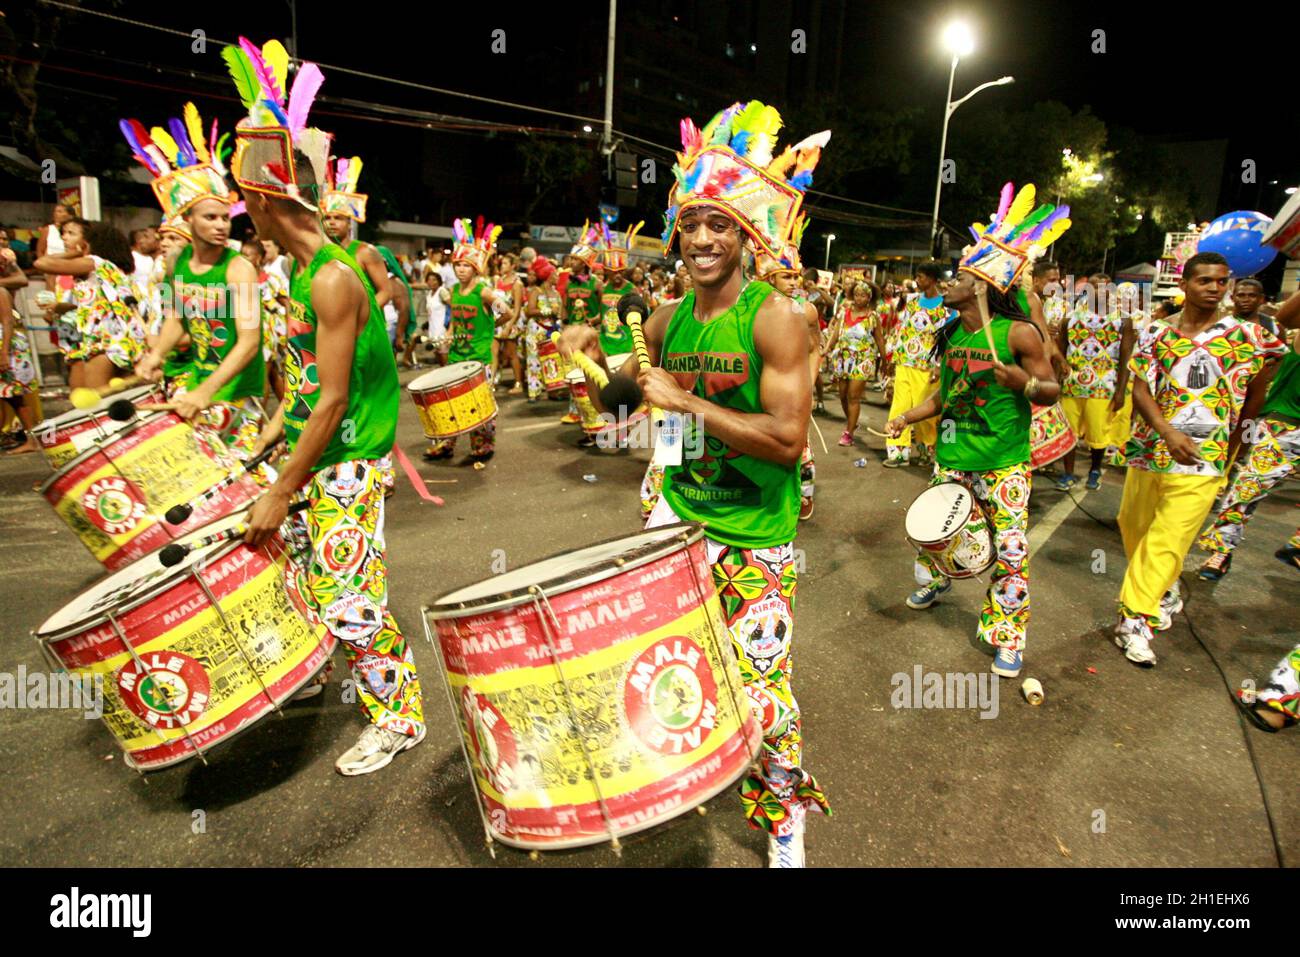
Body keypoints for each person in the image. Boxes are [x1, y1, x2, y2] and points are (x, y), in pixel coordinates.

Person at [561, 100, 832, 867]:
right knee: (662, 666)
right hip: (679, 520)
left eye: (720, 224)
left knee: (765, 696)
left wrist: (685, 404)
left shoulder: (778, 318)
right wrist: (587, 360)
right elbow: (626, 397)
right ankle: (680, 774)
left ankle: (784, 814)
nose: (703, 238)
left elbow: (785, 443)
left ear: (746, 232)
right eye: (691, 224)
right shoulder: (664, 318)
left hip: (753, 535)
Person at [228, 38, 423, 774]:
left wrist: (281, 486)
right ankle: (354, 683)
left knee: (349, 598)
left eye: (244, 195)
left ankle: (399, 716)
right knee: (317, 585)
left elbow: (337, 398)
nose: (241, 207)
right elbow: (305, 382)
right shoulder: (302, 271)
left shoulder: (333, 279)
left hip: (349, 462)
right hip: (318, 457)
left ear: (264, 197)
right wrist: (266, 447)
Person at [890, 182, 1068, 679]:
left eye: (959, 277)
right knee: (929, 535)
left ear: (983, 286)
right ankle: (937, 581)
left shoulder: (1019, 333)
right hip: (953, 455)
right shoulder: (950, 334)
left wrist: (1025, 382)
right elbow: (948, 395)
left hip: (1003, 460)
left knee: (1010, 550)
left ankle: (1007, 634)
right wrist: (910, 416)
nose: (948, 283)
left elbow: (1052, 390)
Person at [1112, 252, 1286, 666]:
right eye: (1205, 280)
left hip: (1205, 455)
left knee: (1168, 538)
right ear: (1185, 285)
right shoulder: (1157, 333)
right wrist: (1167, 431)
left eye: (1222, 281)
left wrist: (1238, 445)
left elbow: (1257, 392)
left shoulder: (1250, 337)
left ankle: (1135, 619)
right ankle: (1164, 588)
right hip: (1150, 447)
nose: (1215, 288)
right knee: (1133, 524)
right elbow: (1140, 388)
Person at [125, 106, 264, 456]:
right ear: (186, 219)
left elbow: (249, 342)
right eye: (210, 217)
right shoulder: (177, 263)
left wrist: (207, 391)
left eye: (224, 218)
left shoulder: (238, 269)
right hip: (199, 382)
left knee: (240, 482)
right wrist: (156, 354)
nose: (221, 225)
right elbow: (177, 318)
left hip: (235, 391)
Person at [1197, 284, 1300, 580]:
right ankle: (1221, 550)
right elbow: (1289, 317)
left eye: (1250, 295)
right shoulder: (1272, 327)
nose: (1244, 299)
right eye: (1239, 294)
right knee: (1248, 489)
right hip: (1286, 423)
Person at [424, 217, 504, 461]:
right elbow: (455, 324)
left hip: (479, 358)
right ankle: (447, 443)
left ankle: (483, 446)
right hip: (458, 355)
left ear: (476, 268)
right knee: (450, 403)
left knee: (479, 403)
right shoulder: (454, 292)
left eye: (466, 265)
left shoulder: (485, 292)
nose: (461, 269)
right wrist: (447, 338)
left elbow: (507, 312)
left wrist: (490, 328)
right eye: (458, 264)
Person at [34, 218, 145, 389]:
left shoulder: (95, 263)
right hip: (119, 341)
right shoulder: (114, 270)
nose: (66, 239)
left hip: (104, 343)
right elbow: (95, 306)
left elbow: (41, 263)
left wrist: (75, 253)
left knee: (94, 404)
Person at [755, 229, 818, 520]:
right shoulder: (754, 311)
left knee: (799, 449)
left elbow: (814, 350)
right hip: (761, 393)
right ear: (770, 279)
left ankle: (803, 496)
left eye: (796, 276)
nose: (794, 282)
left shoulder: (807, 311)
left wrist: (809, 383)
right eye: (787, 277)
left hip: (795, 396)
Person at [1055, 272, 1134, 490]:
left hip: (1104, 386)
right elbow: (1059, 348)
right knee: (1068, 432)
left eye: (1104, 287)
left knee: (1098, 433)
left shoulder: (1123, 320)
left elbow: (1127, 358)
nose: (1099, 291)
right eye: (1094, 286)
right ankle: (1068, 473)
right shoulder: (1070, 316)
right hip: (1072, 385)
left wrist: (1120, 391)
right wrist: (1056, 379)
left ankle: (1095, 469)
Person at [884, 261, 950, 467]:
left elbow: (948, 339)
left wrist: (940, 366)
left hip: (927, 366)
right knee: (899, 407)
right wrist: (893, 355)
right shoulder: (911, 300)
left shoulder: (947, 306)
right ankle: (898, 453)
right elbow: (902, 329)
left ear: (933, 279)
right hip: (905, 361)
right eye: (917, 276)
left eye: (921, 277)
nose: (918, 281)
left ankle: (926, 452)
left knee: (925, 413)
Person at [320, 155, 393, 318]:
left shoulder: (365, 251)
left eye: (338, 218)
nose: (331, 223)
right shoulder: (321, 253)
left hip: (365, 329)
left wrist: (359, 317)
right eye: (327, 218)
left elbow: (386, 292)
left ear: (348, 222)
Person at [825, 279, 885, 446]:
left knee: (853, 397)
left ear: (869, 297)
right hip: (843, 359)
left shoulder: (873, 317)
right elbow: (835, 333)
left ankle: (848, 432)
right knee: (843, 396)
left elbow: (879, 339)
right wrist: (827, 349)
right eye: (857, 295)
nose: (859, 298)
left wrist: (885, 361)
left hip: (863, 359)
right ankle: (852, 421)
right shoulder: (844, 313)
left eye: (863, 295)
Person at [0, 235, 37, 454]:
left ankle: (32, 439)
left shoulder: (2, 290)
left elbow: (7, 321)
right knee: (13, 398)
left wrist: (4, 354)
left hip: (5, 346)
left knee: (16, 397)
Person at [523, 255, 563, 401]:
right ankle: (534, 393)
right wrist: (546, 312)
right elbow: (530, 311)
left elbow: (560, 311)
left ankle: (553, 391)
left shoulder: (557, 293)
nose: (557, 277)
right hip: (536, 330)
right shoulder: (536, 291)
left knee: (552, 359)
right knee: (534, 360)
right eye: (554, 274)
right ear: (547, 275)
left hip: (551, 330)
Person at [491, 251, 525, 391]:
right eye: (502, 263)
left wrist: (508, 326)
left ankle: (518, 383)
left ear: (513, 266)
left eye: (505, 263)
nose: (502, 265)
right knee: (493, 352)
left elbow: (517, 309)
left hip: (510, 322)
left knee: (511, 354)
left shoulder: (517, 284)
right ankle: (491, 382)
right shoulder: (498, 280)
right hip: (497, 320)